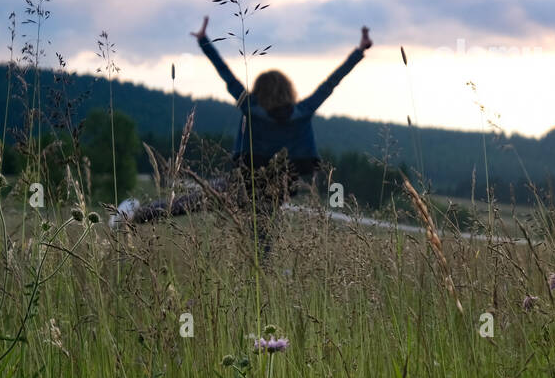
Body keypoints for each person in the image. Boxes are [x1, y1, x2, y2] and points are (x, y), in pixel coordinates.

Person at [112, 18, 372, 228]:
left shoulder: (251, 107)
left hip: (240, 187)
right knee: (262, 237)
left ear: (260, 89)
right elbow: (331, 83)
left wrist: (204, 42)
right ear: (288, 91)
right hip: (277, 192)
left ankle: (131, 218)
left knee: (183, 204)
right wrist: (359, 52)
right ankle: (264, 279)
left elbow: (227, 75)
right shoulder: (302, 111)